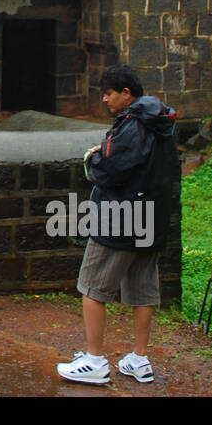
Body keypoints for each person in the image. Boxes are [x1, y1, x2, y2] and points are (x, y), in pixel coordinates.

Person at [56, 63, 179, 386]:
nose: (105, 100)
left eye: (109, 94)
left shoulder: (134, 124)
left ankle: (95, 360)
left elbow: (110, 169)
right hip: (151, 217)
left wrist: (92, 158)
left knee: (93, 287)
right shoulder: (162, 122)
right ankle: (139, 359)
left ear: (127, 93)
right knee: (143, 290)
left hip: (121, 218)